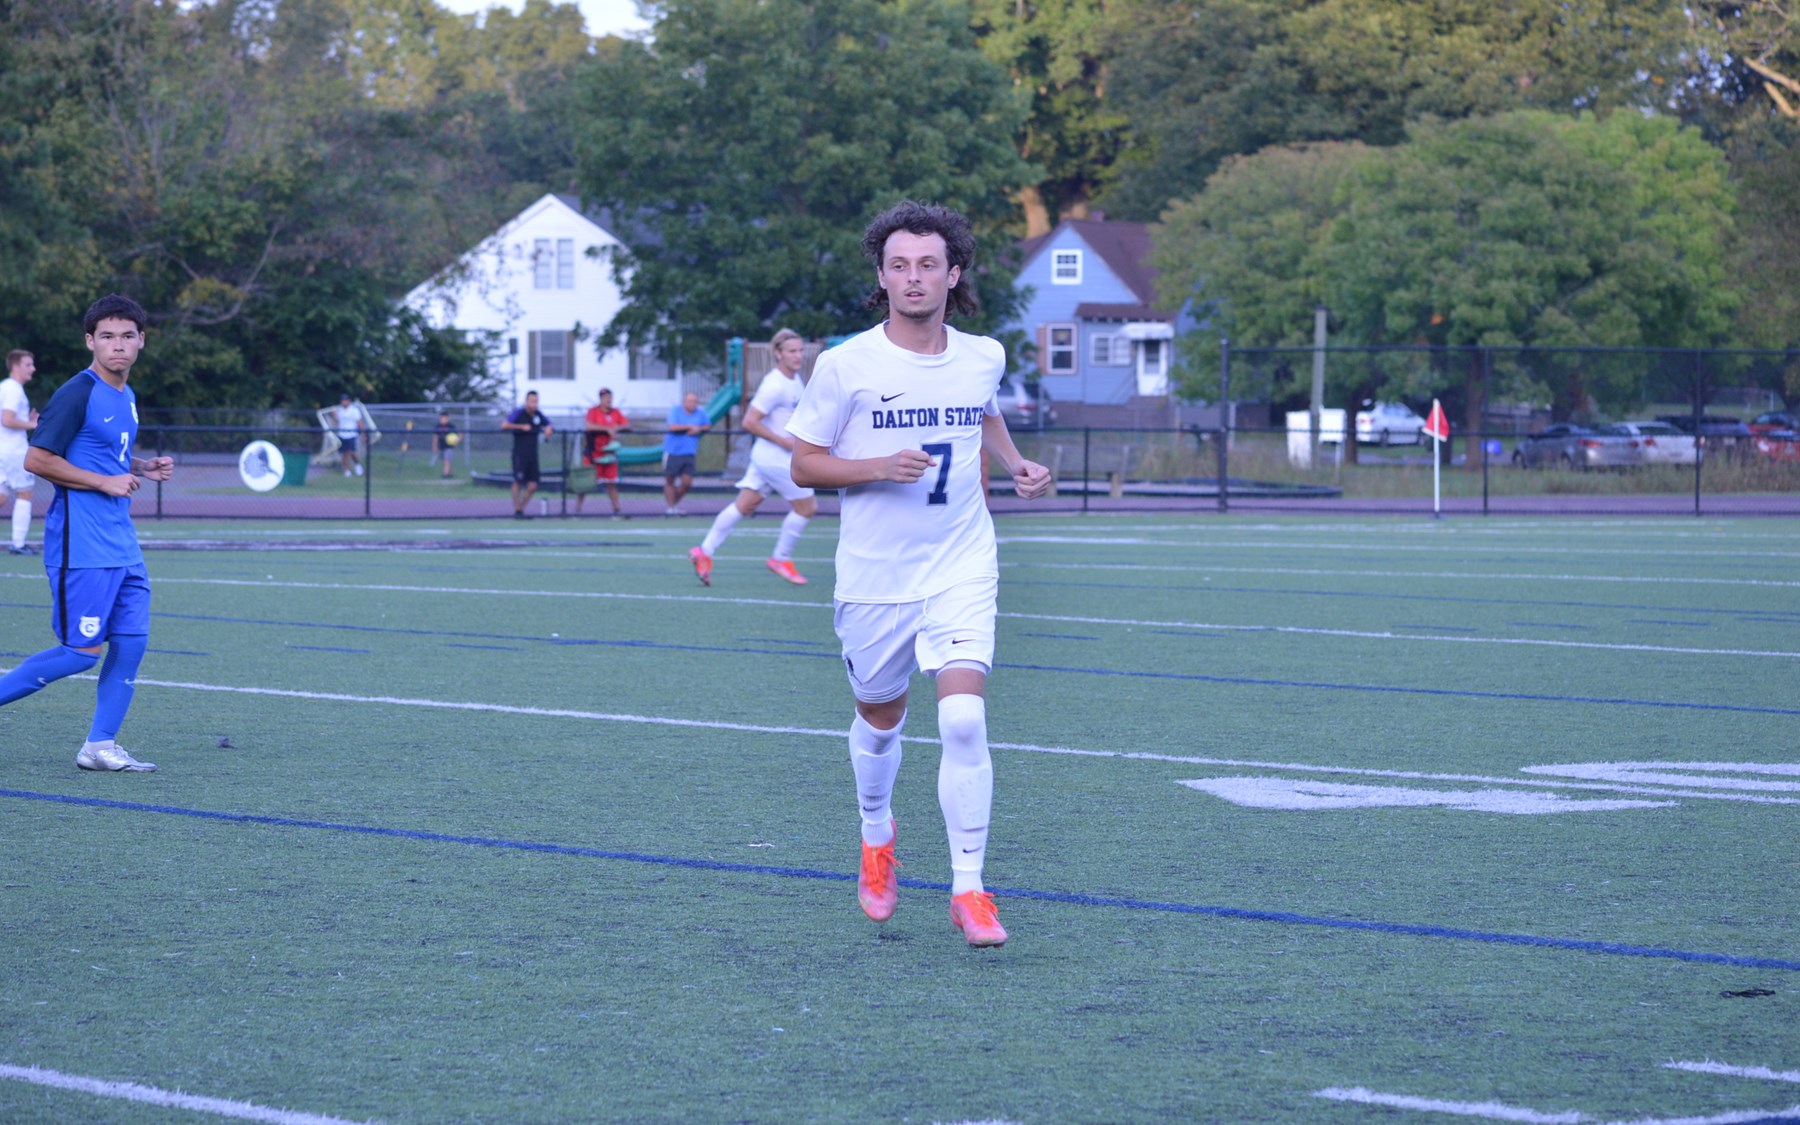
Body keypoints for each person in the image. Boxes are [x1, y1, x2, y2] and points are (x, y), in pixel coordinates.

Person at [788, 202, 1052, 947]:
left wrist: (1016, 464)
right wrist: (876, 465)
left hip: (962, 562)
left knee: (964, 719)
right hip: (874, 578)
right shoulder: (845, 365)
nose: (914, 277)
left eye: (928, 264)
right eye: (899, 265)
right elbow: (803, 463)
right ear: (881, 276)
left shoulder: (983, 356)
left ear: (953, 273)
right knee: (880, 718)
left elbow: (983, 412)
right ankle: (876, 834)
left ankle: (970, 889)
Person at [0, 294, 175, 772]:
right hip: (82, 546)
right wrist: (104, 482)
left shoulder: (126, 396)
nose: (118, 345)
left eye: (127, 336)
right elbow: (37, 459)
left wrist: (141, 466)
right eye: (107, 336)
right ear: (90, 341)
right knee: (80, 653)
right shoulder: (77, 391)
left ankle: (99, 746)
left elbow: (102, 453)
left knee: (131, 644)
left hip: (122, 543)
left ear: (141, 341)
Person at [689, 329, 815, 585]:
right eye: (792, 351)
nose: (798, 355)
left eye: (801, 350)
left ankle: (704, 551)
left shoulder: (794, 379)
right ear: (778, 354)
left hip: (767, 457)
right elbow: (749, 421)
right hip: (775, 457)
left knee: (744, 505)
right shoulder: (774, 384)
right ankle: (780, 558)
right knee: (807, 508)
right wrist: (783, 441)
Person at [1, 349, 39, 555]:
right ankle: (18, 544)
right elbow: (7, 419)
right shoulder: (14, 389)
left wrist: (26, 421)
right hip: (13, 451)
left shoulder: (5, 387)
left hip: (3, 448)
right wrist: (30, 424)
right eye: (28, 364)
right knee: (25, 492)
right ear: (15, 366)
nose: (33, 369)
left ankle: (18, 543)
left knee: (1, 496)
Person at [578, 388, 630, 516]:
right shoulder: (593, 411)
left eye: (610, 397)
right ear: (600, 399)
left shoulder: (616, 412)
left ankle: (617, 510)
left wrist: (617, 427)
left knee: (611, 483)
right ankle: (577, 510)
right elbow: (588, 426)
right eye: (605, 397)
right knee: (585, 484)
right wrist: (606, 429)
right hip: (593, 454)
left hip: (609, 455)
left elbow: (628, 425)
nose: (608, 400)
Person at [502, 390, 552, 518]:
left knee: (533, 485)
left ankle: (521, 508)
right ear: (526, 401)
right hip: (520, 454)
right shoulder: (519, 413)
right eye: (532, 401)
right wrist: (521, 427)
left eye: (536, 401)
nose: (534, 404)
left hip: (533, 455)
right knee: (518, 481)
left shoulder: (538, 415)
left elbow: (548, 424)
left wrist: (548, 428)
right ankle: (517, 510)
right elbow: (504, 425)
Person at [662, 390, 710, 515]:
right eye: (689, 401)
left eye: (694, 401)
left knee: (687, 483)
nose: (692, 404)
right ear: (684, 401)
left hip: (689, 453)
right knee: (670, 480)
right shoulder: (675, 411)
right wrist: (689, 427)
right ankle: (671, 508)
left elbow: (707, 425)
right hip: (673, 452)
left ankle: (673, 504)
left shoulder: (701, 413)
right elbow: (672, 426)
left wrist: (699, 429)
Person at [333, 393, 365, 476]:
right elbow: (336, 422)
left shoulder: (354, 410)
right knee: (344, 453)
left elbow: (359, 422)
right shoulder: (339, 410)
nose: (343, 402)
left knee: (351, 452)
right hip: (342, 434)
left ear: (349, 401)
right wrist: (334, 414)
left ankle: (357, 464)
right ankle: (346, 471)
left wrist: (363, 433)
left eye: (345, 400)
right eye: (342, 401)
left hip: (352, 434)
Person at [431, 410, 457, 479]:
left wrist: (456, 441)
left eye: (444, 418)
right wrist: (434, 446)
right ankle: (450, 473)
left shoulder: (451, 426)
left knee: (446, 459)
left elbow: (459, 435)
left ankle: (445, 474)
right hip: (441, 446)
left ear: (448, 418)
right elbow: (435, 437)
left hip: (449, 446)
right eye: (441, 418)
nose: (442, 419)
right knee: (445, 461)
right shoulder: (438, 426)